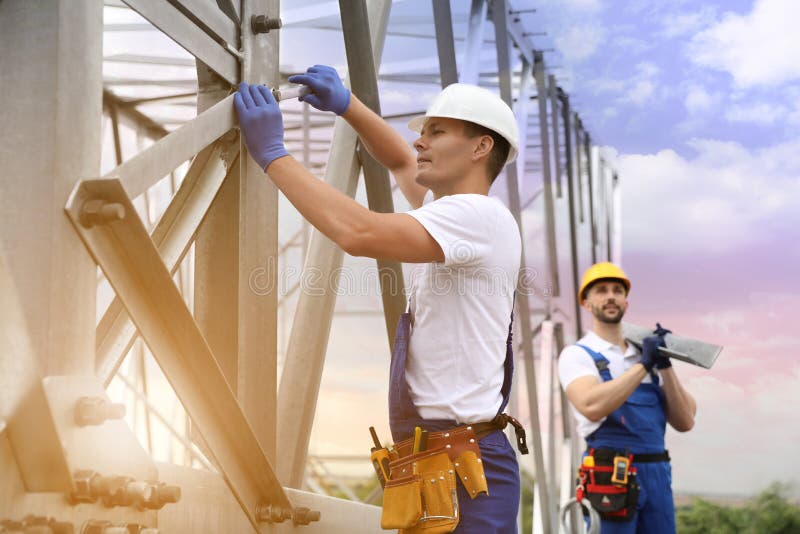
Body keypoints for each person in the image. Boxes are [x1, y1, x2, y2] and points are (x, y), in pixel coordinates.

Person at [234, 65, 526, 532]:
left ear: (481, 146)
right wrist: (347, 105)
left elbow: (358, 232)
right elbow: (399, 162)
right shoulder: (452, 211)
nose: (419, 141)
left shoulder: (475, 218)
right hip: (443, 461)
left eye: (437, 131)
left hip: (467, 469)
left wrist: (274, 155)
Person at [558, 262, 697, 533]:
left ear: (625, 301)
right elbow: (591, 405)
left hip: (657, 473)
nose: (610, 296)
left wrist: (665, 364)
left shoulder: (649, 355)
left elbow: (686, 420)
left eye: (617, 290)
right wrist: (643, 366)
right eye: (601, 290)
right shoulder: (578, 355)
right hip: (609, 474)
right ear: (586, 302)